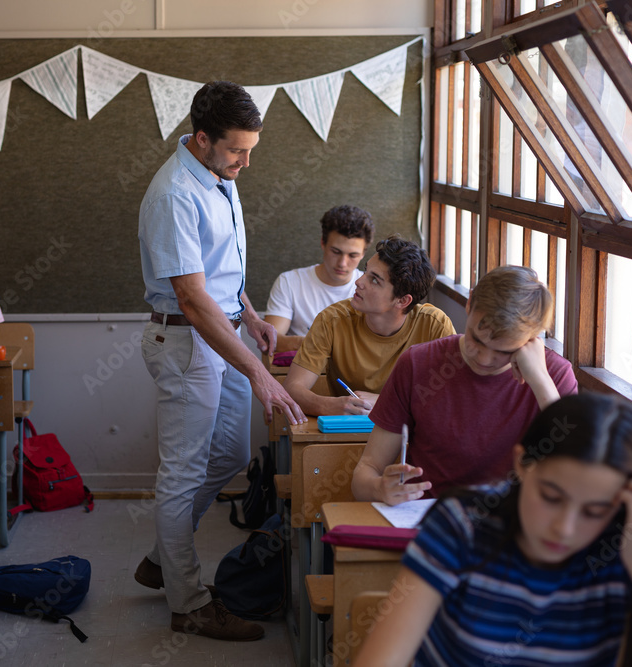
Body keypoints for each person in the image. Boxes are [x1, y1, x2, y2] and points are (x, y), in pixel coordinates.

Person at [354, 393, 632, 667]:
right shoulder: (463, 523)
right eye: (551, 497)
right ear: (522, 466)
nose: (564, 528)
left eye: (595, 511)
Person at [135, 80, 305, 642]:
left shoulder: (219, 173)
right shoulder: (174, 194)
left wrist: (251, 314)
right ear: (202, 138)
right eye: (238, 150)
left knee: (229, 453)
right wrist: (260, 373)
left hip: (224, 333)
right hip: (186, 343)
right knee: (181, 474)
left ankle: (164, 553)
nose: (246, 162)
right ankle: (188, 601)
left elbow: (218, 273)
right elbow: (190, 297)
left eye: (251, 149)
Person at [352, 265, 577, 504]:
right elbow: (364, 473)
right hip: (428, 522)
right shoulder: (418, 363)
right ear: (470, 304)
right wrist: (379, 489)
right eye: (476, 340)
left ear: (533, 338)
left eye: (503, 351)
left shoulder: (555, 377)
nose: (483, 359)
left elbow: (577, 480)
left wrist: (540, 381)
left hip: (509, 528)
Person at [283, 234, 455, 416]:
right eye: (366, 271)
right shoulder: (331, 320)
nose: (358, 282)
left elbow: (454, 396)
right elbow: (292, 389)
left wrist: (384, 401)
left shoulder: (435, 325)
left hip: (410, 436)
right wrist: (328, 406)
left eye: (374, 280)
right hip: (349, 433)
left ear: (402, 301)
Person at [263, 204, 374, 351]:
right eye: (335, 251)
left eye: (353, 255)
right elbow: (271, 340)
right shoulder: (289, 282)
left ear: (363, 253)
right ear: (323, 243)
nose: (342, 263)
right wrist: (318, 344)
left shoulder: (372, 289)